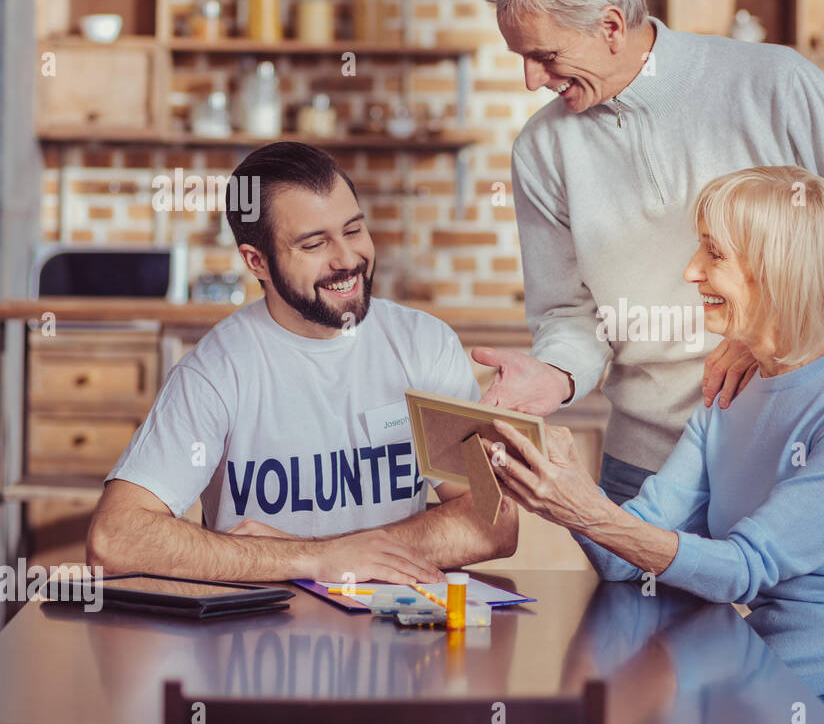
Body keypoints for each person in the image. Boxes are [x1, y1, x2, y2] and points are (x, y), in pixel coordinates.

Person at [487, 166, 824, 724]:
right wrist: (553, 475)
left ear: (779, 266)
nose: (690, 271)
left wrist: (588, 510)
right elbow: (623, 563)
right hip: (765, 685)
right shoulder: (733, 388)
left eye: (713, 253)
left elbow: (745, 568)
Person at [474, 0, 824, 508]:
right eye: (521, 59)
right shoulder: (542, 149)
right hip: (641, 469)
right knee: (627, 603)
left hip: (784, 452)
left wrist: (786, 339)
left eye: (544, 56)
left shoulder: (774, 83)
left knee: (779, 599)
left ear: (611, 26)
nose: (529, 81)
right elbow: (569, 311)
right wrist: (558, 374)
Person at [87, 142, 517, 583]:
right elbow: (115, 539)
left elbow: (494, 516)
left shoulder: (425, 348)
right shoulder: (215, 372)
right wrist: (313, 560)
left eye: (353, 231)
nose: (348, 260)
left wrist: (340, 554)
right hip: (251, 637)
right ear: (259, 262)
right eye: (314, 244)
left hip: (397, 635)